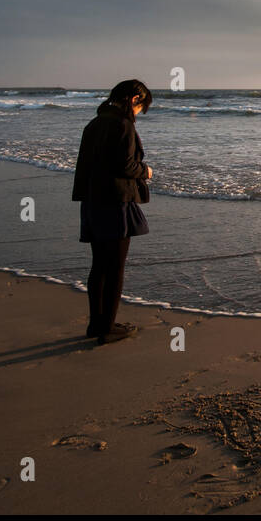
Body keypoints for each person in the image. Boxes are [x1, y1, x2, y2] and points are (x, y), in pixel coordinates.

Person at [72, 79, 153, 345]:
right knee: (115, 268)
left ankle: (97, 324)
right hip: (115, 202)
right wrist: (147, 171)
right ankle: (108, 328)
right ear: (133, 99)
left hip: (93, 201)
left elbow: (87, 165)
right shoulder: (123, 125)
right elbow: (126, 166)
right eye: (141, 107)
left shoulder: (94, 124)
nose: (139, 113)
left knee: (99, 267)